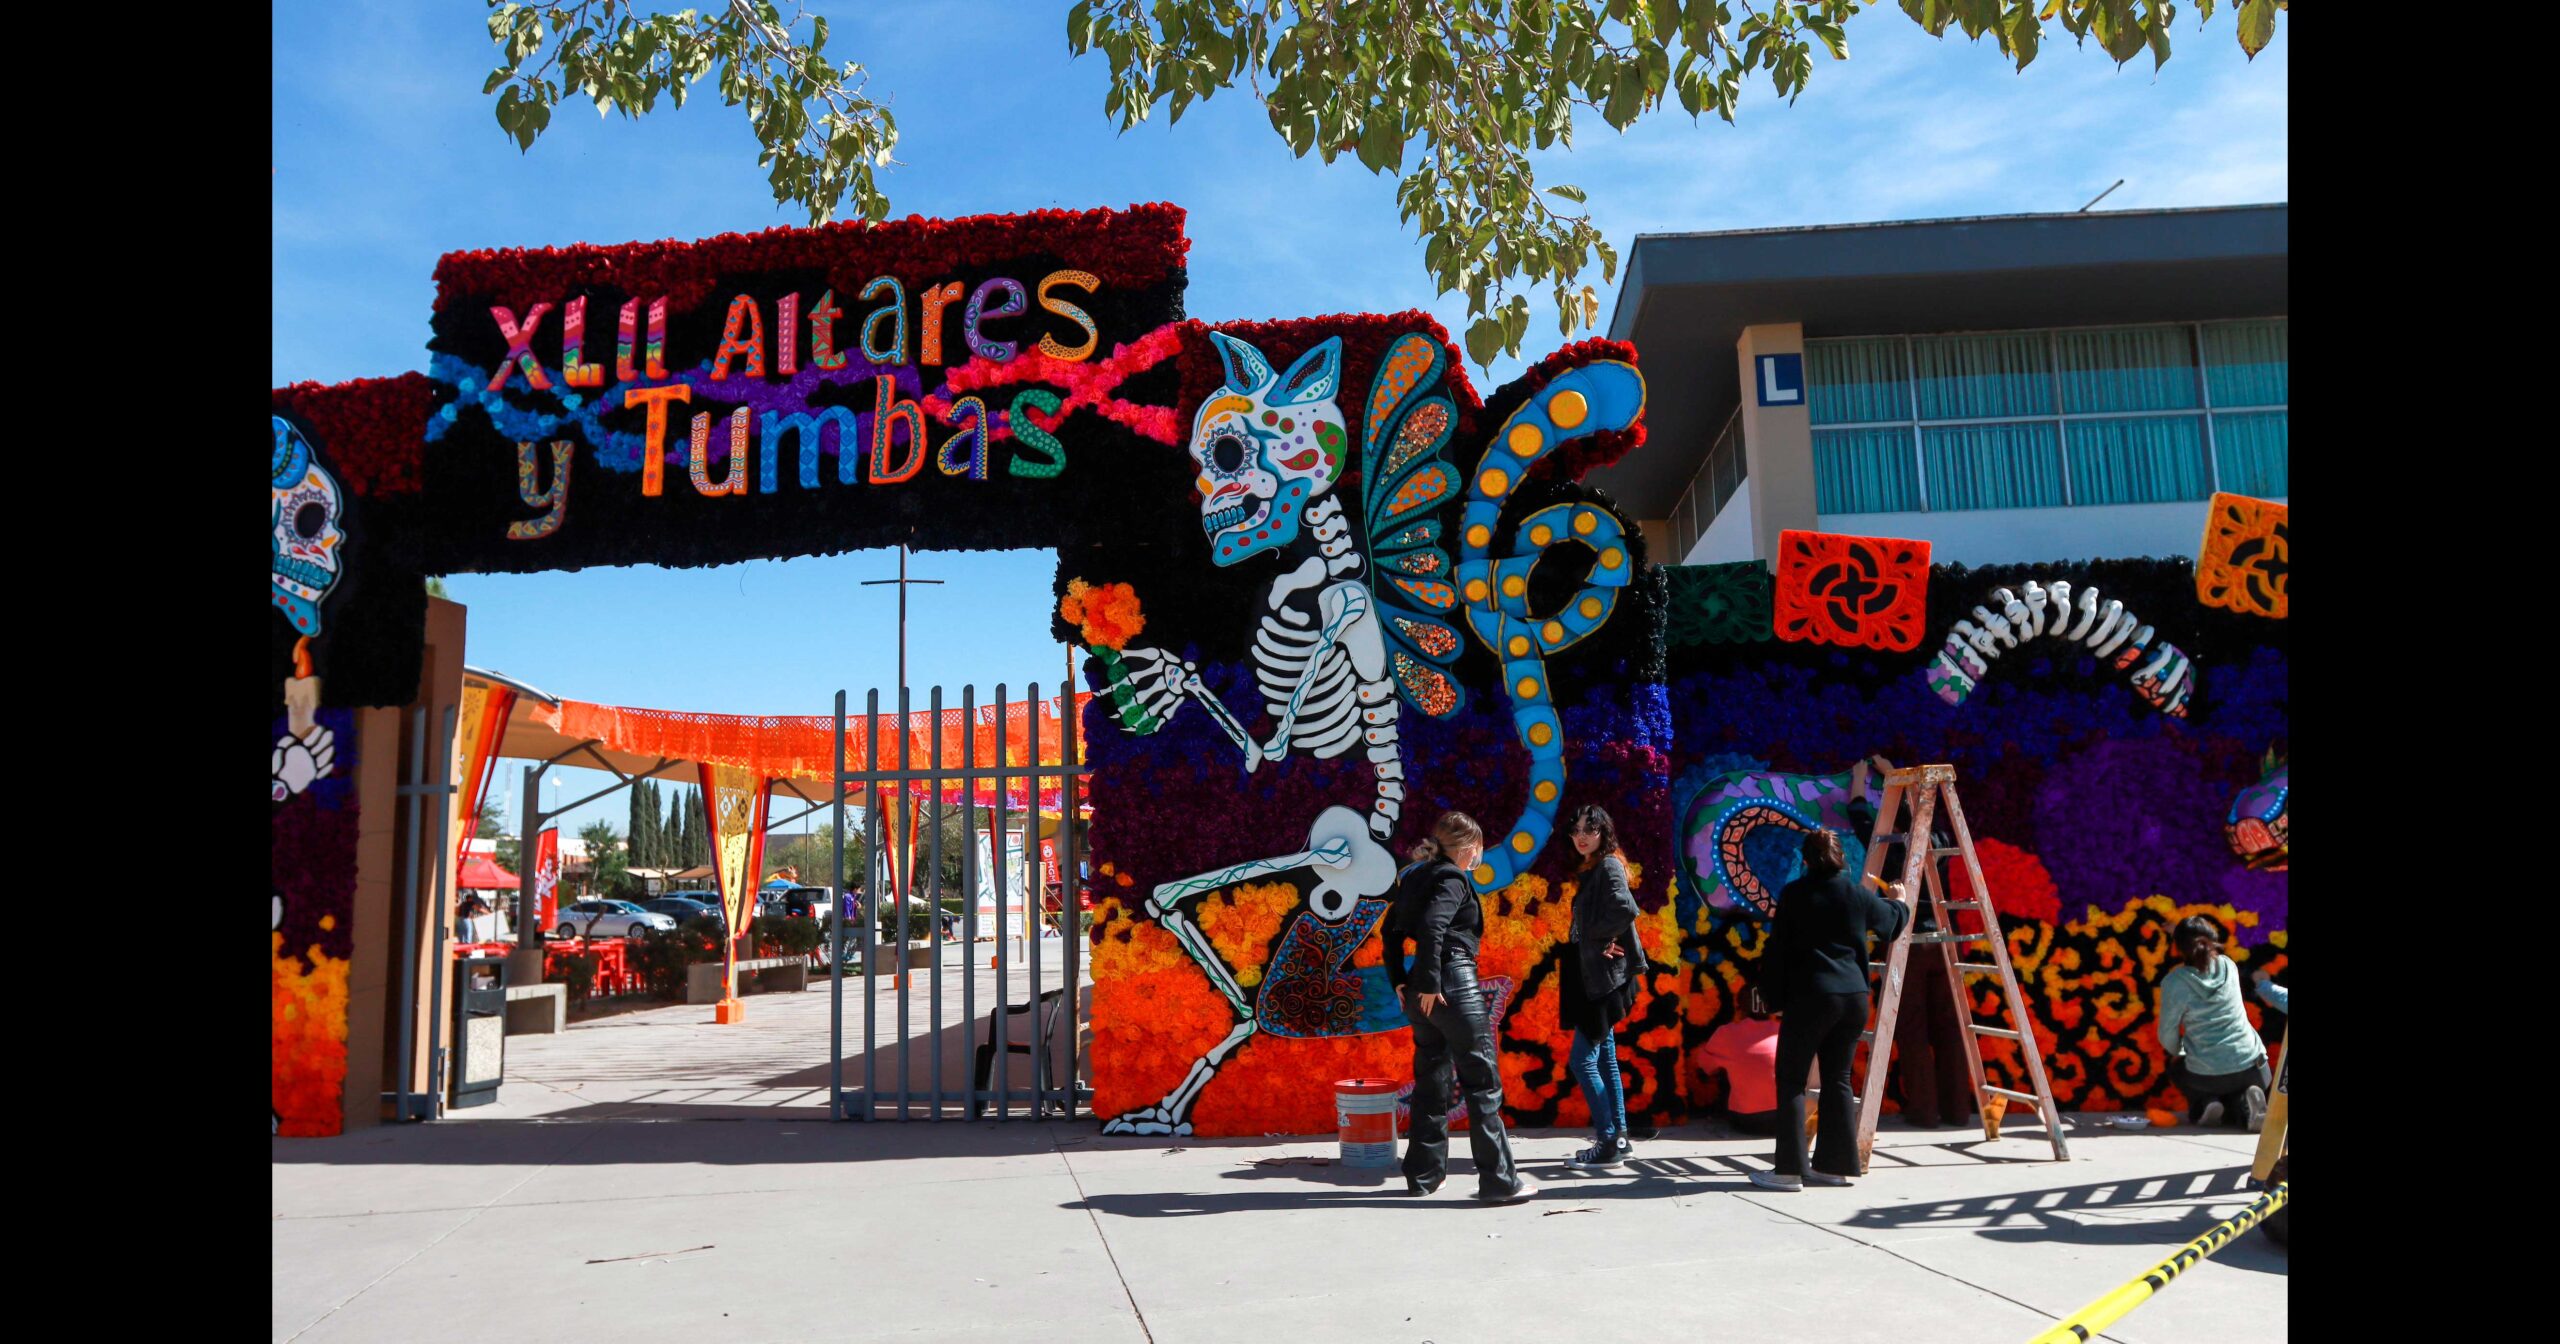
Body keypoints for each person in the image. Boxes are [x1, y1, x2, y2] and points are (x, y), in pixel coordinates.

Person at [1380, 811, 1535, 1204]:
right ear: (1469, 848)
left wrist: (1401, 980)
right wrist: (1431, 983)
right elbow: (1434, 926)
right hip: (1452, 985)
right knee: (1482, 1083)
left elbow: (1390, 931)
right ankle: (1499, 1182)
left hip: (1423, 991)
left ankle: (1424, 1177)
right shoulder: (1452, 878)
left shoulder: (1416, 875)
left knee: (1431, 1082)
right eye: (1479, 847)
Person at [1753, 828, 1909, 1192]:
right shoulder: (1856, 894)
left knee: (1792, 1079)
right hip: (1853, 997)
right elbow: (1890, 925)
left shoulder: (1795, 894)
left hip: (1811, 996)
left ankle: (1789, 1171)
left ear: (1806, 860)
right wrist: (1899, 901)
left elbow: (1778, 949)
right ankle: (1833, 1167)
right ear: (1842, 859)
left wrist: (1773, 996)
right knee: (1838, 1078)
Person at [1560, 806, 1643, 1170]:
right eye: (1576, 830)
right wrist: (1601, 938)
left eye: (1590, 830)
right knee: (1605, 1057)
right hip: (1597, 977)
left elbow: (1625, 909)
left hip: (1603, 980)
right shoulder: (1597, 867)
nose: (1581, 836)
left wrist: (1599, 937)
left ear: (1603, 833)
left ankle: (1608, 1141)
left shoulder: (1608, 865)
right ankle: (1619, 1139)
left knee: (1582, 1060)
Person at [2157, 916, 2270, 1132]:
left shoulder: (2175, 982)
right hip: (2255, 1069)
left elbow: (2167, 1034)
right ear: (2212, 940)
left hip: (2205, 1077)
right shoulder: (2229, 966)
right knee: (2235, 1087)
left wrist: (2180, 1051)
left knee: (2177, 1066)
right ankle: (2246, 1101)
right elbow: (2201, 950)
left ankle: (2205, 1103)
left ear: (2178, 948)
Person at [1694, 983, 1782, 1135]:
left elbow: (1704, 1067)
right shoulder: (1785, 1030)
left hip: (1746, 1122)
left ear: (1739, 1007)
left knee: (1724, 1069)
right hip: (1787, 1119)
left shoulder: (1726, 1033)